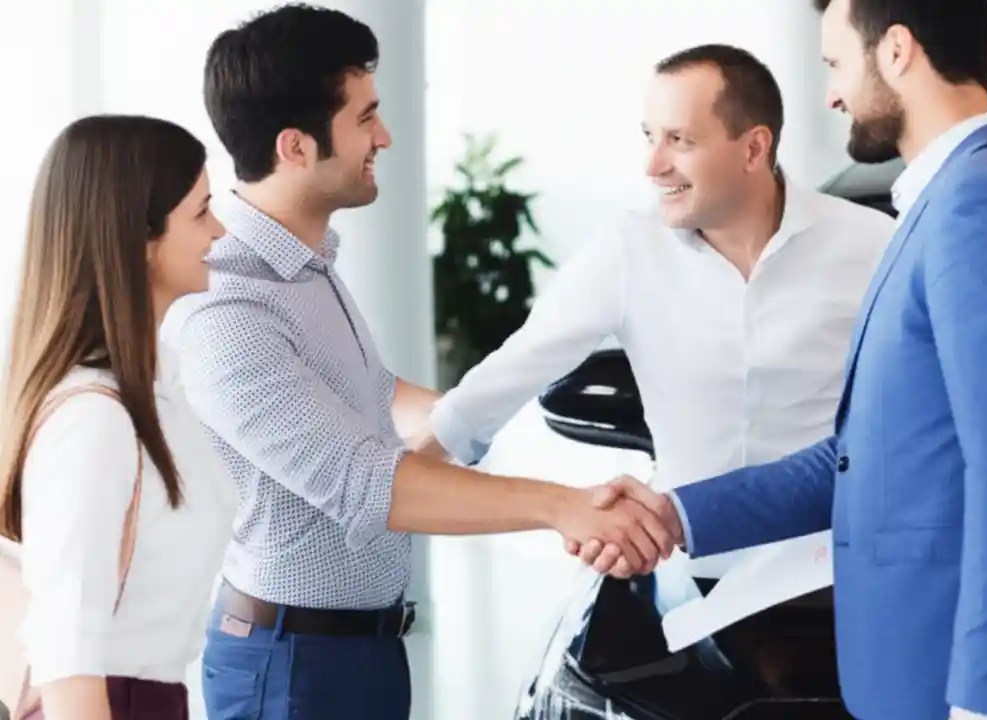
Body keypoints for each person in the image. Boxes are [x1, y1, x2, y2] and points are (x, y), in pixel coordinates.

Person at [577, 1, 987, 719]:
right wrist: (676, 515)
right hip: (914, 682)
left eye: (835, 64)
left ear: (897, 51)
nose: (830, 93)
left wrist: (984, 704)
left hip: (964, 697)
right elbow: (866, 458)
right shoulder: (947, 205)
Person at [166, 6, 670, 719]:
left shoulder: (306, 267)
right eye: (365, 117)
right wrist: (562, 507)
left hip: (361, 650)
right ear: (296, 146)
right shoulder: (226, 309)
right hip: (291, 668)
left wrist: (510, 424)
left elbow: (378, 397)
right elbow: (367, 484)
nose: (386, 137)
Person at [428, 43, 895, 579]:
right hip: (681, 571)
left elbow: (906, 425)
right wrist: (399, 478)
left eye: (680, 140)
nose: (653, 166)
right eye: (650, 137)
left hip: (844, 575)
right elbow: (511, 372)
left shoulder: (873, 245)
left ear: (753, 148)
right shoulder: (628, 249)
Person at [0, 115, 236, 720]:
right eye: (201, 211)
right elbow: (66, 651)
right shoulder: (94, 422)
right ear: (139, 237)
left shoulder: (159, 395)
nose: (220, 231)